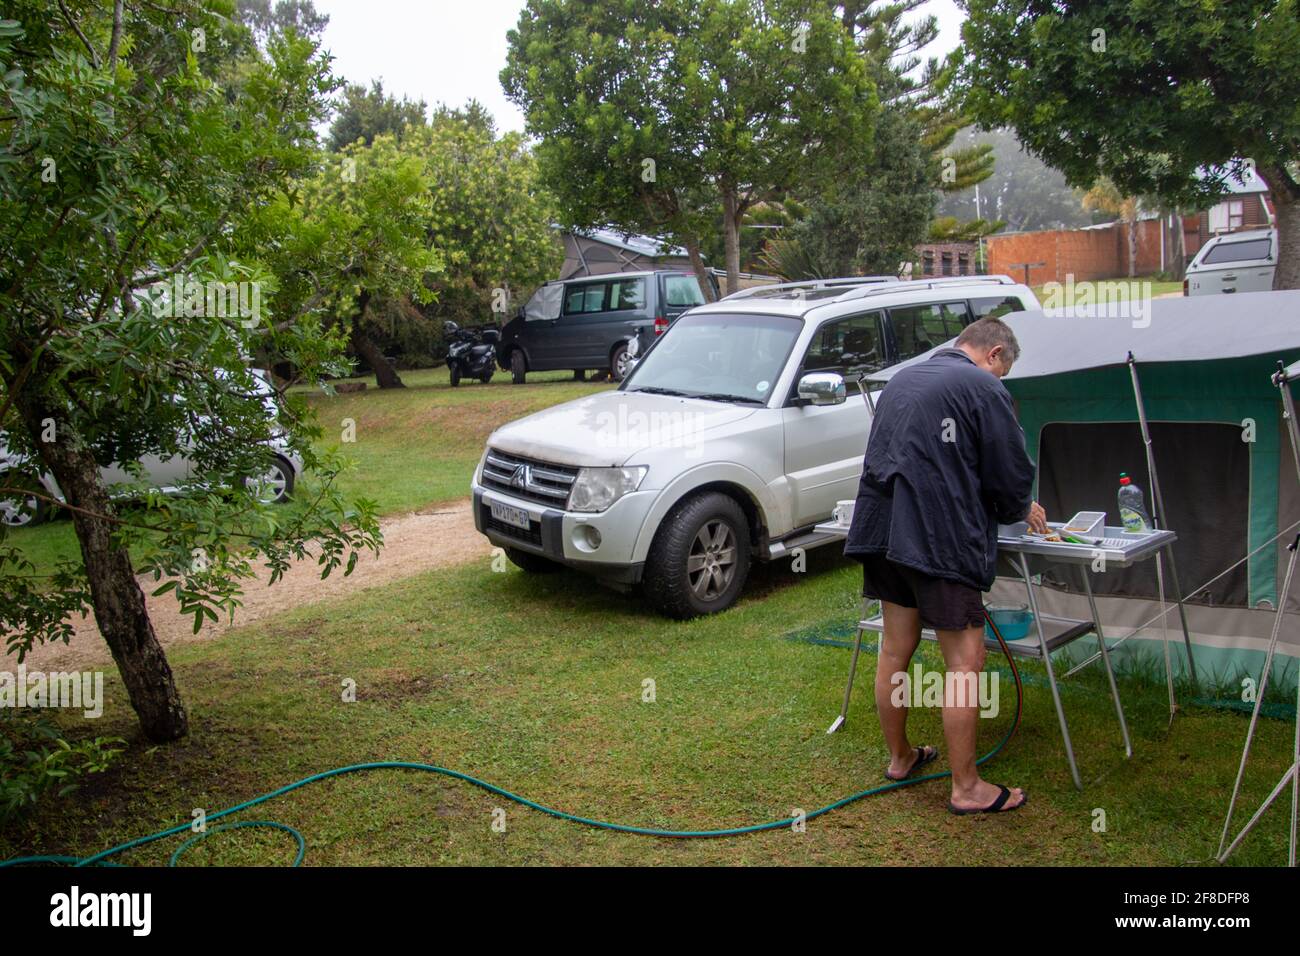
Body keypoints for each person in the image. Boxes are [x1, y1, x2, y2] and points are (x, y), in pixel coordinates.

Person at [843, 316, 1048, 815]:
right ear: (994, 354)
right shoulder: (982, 386)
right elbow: (1007, 467)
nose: (999, 380)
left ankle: (900, 757)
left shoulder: (903, 380)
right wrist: (1020, 506)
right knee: (965, 662)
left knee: (894, 649)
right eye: (1003, 371)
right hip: (939, 538)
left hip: (885, 531)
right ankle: (967, 788)